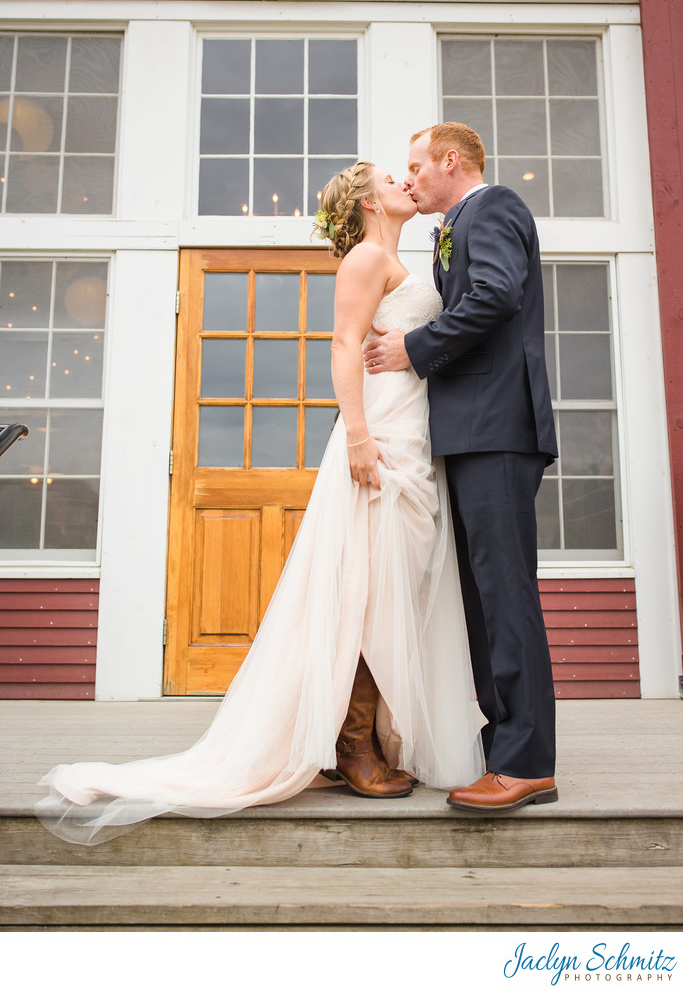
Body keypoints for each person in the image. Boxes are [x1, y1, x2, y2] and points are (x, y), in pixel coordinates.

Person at [36, 160, 485, 845]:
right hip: (380, 438)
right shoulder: (366, 258)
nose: (404, 181)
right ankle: (352, 745)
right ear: (367, 200)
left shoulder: (405, 252)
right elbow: (341, 346)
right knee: (365, 590)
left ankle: (359, 736)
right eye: (390, 176)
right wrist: (358, 435)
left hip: (417, 434)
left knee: (397, 588)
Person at [363, 123, 559, 813]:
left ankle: (526, 761)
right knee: (481, 596)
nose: (409, 178)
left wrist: (414, 347)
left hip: (497, 428)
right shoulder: (454, 225)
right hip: (470, 430)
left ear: (452, 162)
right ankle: (502, 738)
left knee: (504, 592)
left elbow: (496, 296)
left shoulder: (496, 205)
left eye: (416, 166)